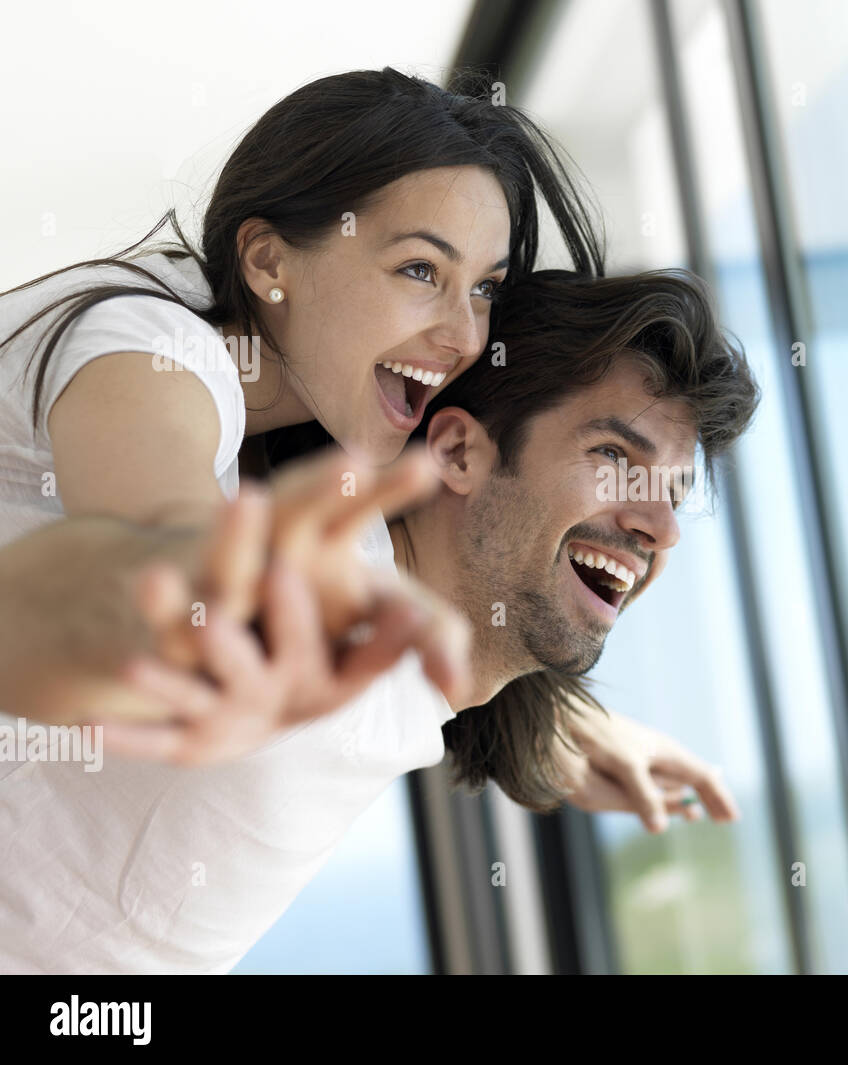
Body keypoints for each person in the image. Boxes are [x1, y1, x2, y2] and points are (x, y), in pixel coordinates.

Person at [0, 267, 760, 974]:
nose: (661, 526)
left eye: (673, 491)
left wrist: (563, 734)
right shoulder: (297, 605)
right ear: (458, 449)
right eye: (613, 456)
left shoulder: (404, 682)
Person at [0, 66, 602, 740]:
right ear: (268, 262)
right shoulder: (155, 352)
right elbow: (161, 541)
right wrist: (221, 612)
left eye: (484, 288)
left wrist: (583, 736)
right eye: (420, 270)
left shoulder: (279, 418)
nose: (465, 335)